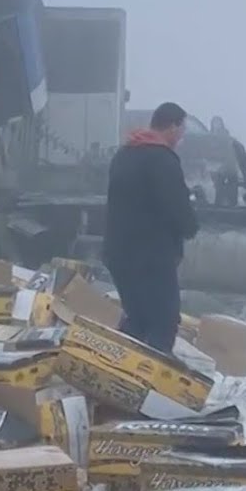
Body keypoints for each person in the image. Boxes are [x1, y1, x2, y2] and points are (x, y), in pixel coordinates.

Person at [103, 102, 199, 353]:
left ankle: (114, 370)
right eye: (182, 130)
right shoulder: (162, 160)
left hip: (118, 255)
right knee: (164, 322)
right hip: (151, 258)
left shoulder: (124, 155)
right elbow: (178, 209)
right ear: (172, 126)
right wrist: (191, 225)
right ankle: (152, 386)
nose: (182, 137)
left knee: (137, 319)